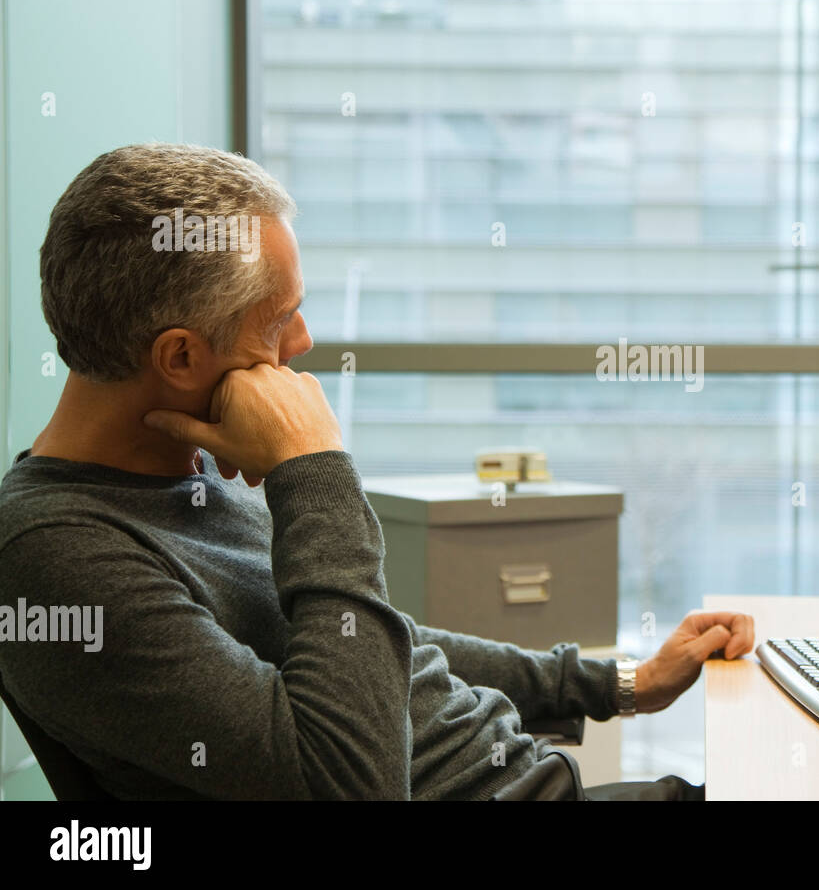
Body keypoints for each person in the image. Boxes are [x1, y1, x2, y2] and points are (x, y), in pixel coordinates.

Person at [0, 143, 755, 800]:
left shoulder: (190, 474)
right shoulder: (57, 560)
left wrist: (618, 684)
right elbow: (348, 785)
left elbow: (368, 643)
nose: (305, 338)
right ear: (180, 358)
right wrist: (314, 470)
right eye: (277, 319)